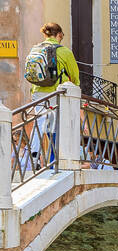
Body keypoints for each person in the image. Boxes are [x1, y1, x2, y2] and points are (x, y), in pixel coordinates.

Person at [23, 22, 80, 171]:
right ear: (59, 34)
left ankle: (34, 157)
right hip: (55, 92)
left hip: (37, 91)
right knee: (55, 125)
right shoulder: (64, 51)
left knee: (40, 123)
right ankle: (56, 160)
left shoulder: (35, 49)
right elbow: (75, 77)